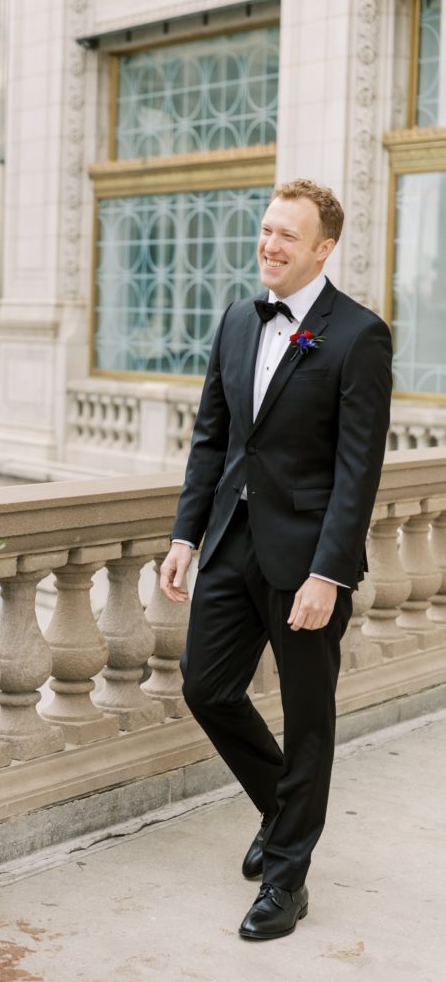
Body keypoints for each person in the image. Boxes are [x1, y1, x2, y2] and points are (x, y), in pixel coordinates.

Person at [160, 179, 392, 941]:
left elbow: (357, 470)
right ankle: (283, 812)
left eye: (287, 235)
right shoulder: (236, 320)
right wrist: (184, 536)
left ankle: (286, 882)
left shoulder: (358, 335)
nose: (270, 244)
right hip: (230, 543)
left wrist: (328, 573)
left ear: (323, 248)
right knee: (207, 687)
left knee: (309, 722)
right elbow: (213, 439)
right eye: (266, 230)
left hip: (305, 562)